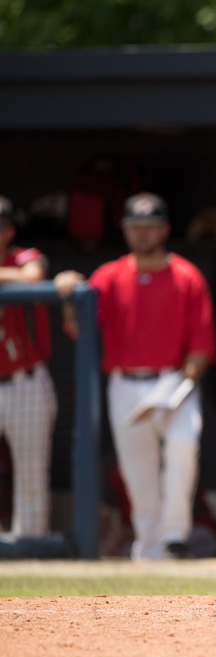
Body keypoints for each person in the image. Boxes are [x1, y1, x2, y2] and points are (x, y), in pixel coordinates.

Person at [55, 191, 216, 561]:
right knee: (137, 471)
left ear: (164, 229)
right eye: (135, 226)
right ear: (125, 230)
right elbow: (79, 330)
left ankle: (175, 535)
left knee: (183, 446)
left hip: (174, 381)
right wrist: (67, 297)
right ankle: (150, 550)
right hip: (126, 383)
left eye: (149, 226)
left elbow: (201, 347)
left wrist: (181, 385)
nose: (142, 233)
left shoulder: (186, 276)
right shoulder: (108, 276)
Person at [0, 195, 58, 538]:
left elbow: (33, 275)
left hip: (25, 381)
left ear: (9, 230)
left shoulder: (25, 256)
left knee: (31, 473)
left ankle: (32, 545)